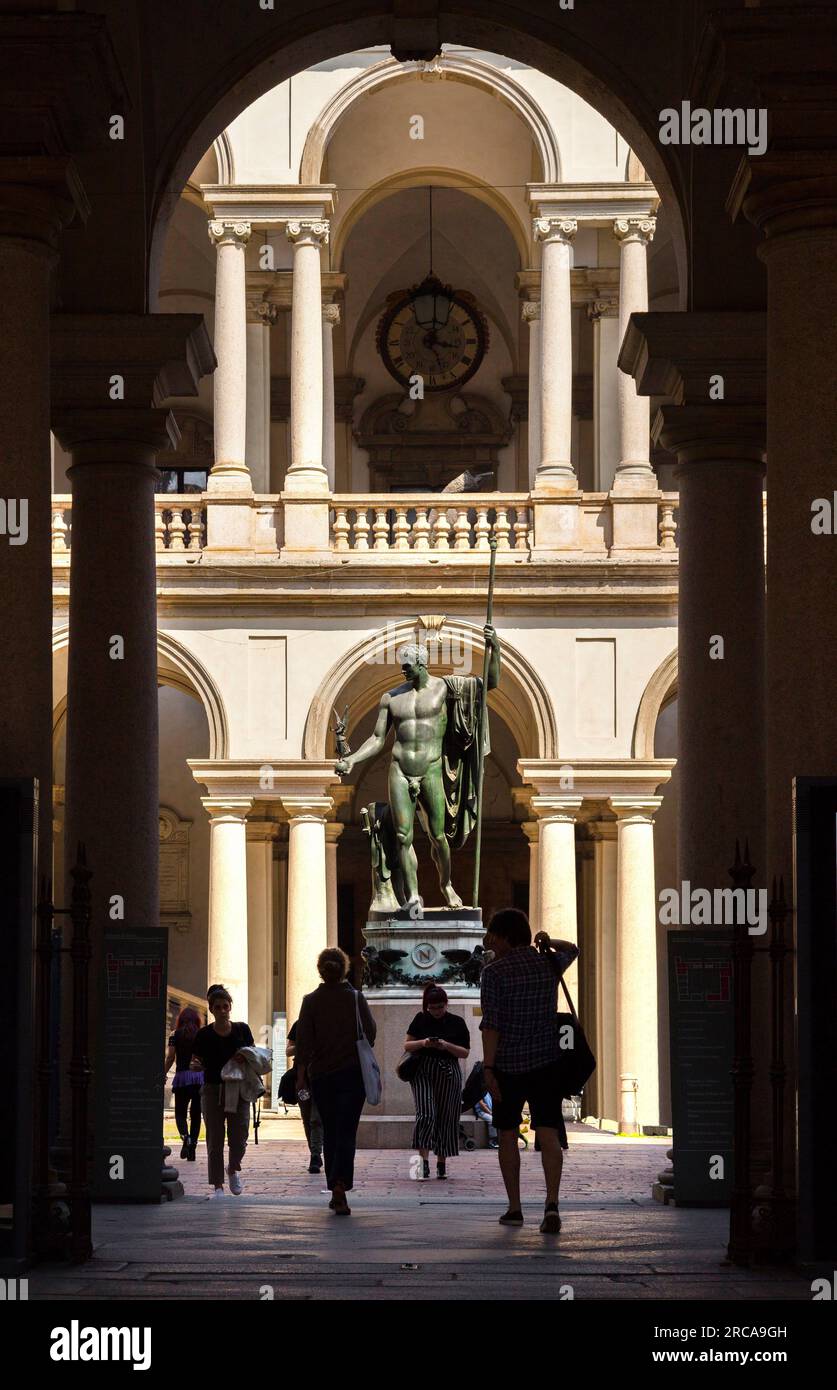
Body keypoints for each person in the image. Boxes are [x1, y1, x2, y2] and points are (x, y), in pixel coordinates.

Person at [480, 909, 579, 1234]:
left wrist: (489, 1067)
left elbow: (491, 1025)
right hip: (546, 1063)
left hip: (508, 1064)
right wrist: (548, 942)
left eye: (494, 934)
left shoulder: (494, 973)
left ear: (506, 936)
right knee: (548, 1131)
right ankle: (551, 1203)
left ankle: (515, 1208)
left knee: (508, 1134)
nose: (490, 940)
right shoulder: (547, 963)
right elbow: (572, 949)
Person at [295, 948, 376, 1216]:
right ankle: (342, 1183)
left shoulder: (310, 1001)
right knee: (346, 1132)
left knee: (330, 1131)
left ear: (320, 970)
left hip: (323, 1077)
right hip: (353, 1074)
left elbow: (303, 1044)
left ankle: (335, 1188)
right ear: (345, 969)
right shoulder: (355, 998)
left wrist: (301, 1078)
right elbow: (371, 1033)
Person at [191, 984, 255, 1199]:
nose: (221, 1011)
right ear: (211, 1009)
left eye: (225, 1006)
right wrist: (196, 1066)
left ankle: (233, 1168)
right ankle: (217, 1185)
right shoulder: (204, 1035)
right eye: (217, 1007)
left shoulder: (242, 1030)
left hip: (237, 1089)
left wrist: (244, 1056)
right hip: (212, 1089)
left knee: (240, 1137)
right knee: (214, 1140)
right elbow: (196, 1059)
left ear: (230, 1007)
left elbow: (254, 1054)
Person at [403, 984, 470, 1179]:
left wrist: (445, 1045)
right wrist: (424, 1043)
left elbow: (465, 1052)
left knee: (447, 1117)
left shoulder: (457, 1022)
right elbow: (407, 1044)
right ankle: (420, 1163)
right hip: (422, 1070)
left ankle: (442, 1163)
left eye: (440, 1007)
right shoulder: (420, 1019)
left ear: (446, 1004)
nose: (437, 1012)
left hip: (449, 1070)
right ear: (426, 1006)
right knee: (425, 1114)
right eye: (432, 1008)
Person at [164, 1005, 204, 1160]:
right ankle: (192, 1148)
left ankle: (185, 1137)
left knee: (180, 1113)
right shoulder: (201, 1035)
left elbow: (170, 1057)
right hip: (199, 1077)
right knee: (195, 1114)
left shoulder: (175, 1035)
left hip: (182, 1078)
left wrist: (163, 1073)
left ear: (180, 1020)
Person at [286, 1019, 323, 1173]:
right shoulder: (299, 1025)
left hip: (322, 1077)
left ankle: (315, 1155)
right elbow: (289, 1050)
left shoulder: (327, 1022)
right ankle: (314, 1152)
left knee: (316, 1119)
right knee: (307, 1118)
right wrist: (303, 1046)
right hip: (302, 1080)